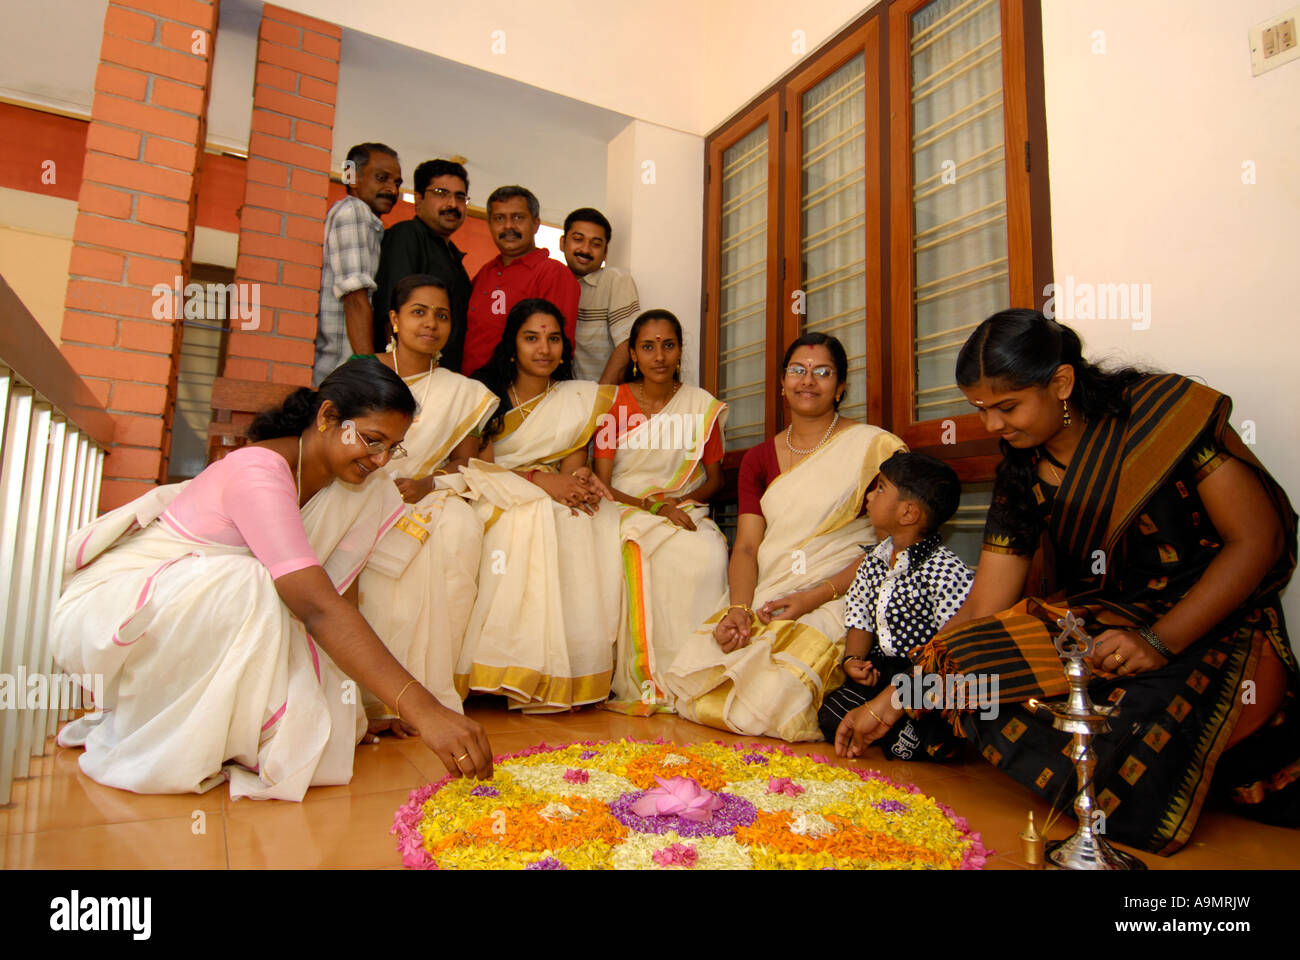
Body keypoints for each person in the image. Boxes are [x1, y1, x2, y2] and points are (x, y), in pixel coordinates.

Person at [839, 309, 1298, 855]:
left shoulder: (1164, 419)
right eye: (980, 410)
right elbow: (986, 603)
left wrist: (1157, 642)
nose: (991, 427)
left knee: (1124, 734)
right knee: (958, 665)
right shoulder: (1020, 471)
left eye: (1006, 407)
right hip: (1100, 623)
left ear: (1061, 383)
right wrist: (896, 696)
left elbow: (1257, 541)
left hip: (1207, 621)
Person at [50, 358, 493, 800]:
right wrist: (424, 709)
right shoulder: (257, 471)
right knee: (252, 581)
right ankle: (166, 730)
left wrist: (364, 700)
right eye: (372, 440)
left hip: (216, 612)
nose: (379, 461)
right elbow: (316, 606)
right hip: (125, 610)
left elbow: (340, 595)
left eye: (393, 448)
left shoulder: (364, 489)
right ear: (327, 417)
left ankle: (222, 735)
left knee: (326, 712)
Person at [663, 333, 906, 741]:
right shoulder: (759, 459)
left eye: (822, 372)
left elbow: (894, 546)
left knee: (774, 696)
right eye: (798, 370)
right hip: (773, 590)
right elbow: (746, 546)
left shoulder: (873, 447)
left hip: (846, 590)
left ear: (841, 386)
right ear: (782, 383)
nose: (808, 380)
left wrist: (814, 596)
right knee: (699, 683)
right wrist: (739, 608)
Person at [453, 298, 621, 712]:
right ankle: (503, 666)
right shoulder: (484, 396)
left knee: (585, 516)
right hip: (494, 493)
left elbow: (573, 466)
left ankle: (565, 668)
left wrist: (579, 481)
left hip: (551, 489)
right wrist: (540, 481)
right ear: (512, 345)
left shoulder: (576, 399)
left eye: (553, 339)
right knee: (532, 516)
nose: (543, 349)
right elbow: (474, 469)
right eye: (531, 338)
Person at [352, 275, 499, 727]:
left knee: (457, 526)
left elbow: (464, 466)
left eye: (442, 315)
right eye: (418, 312)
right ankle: (370, 696)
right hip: (357, 490)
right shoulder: (360, 374)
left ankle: (425, 691)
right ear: (394, 320)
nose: (431, 323)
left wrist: (427, 485)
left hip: (421, 495)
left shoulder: (462, 392)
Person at [591, 310, 728, 714]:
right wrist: (652, 506)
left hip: (683, 507)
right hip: (623, 507)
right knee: (642, 551)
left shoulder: (699, 405)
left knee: (707, 554)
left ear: (680, 350)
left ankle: (697, 674)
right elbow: (603, 482)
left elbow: (715, 480)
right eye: (648, 346)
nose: (659, 356)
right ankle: (650, 679)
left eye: (668, 345)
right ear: (633, 352)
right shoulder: (612, 403)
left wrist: (677, 505)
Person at [821, 451, 973, 757]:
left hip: (926, 675)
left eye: (880, 489)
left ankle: (908, 733)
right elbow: (860, 615)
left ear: (907, 513)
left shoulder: (944, 570)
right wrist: (853, 660)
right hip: (882, 671)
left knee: (915, 742)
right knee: (829, 717)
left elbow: (954, 648)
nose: (870, 497)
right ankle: (883, 725)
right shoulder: (874, 560)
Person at [461, 186, 580, 375]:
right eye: (499, 218)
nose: (508, 226)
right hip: (471, 390)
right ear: (490, 224)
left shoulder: (553, 273)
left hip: (515, 396)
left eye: (518, 217)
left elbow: (557, 349)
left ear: (536, 224)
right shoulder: (485, 272)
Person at [370, 159, 473, 371]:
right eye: (441, 193)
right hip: (409, 380)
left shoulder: (454, 257)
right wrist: (399, 377)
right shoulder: (406, 236)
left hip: (441, 381)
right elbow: (392, 313)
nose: (452, 204)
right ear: (418, 199)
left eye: (459, 196)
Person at [312, 143, 402, 386]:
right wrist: (367, 370)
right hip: (342, 371)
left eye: (397, 183)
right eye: (382, 178)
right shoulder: (354, 211)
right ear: (352, 178)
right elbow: (356, 298)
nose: (391, 189)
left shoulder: (368, 222)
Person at [559, 207, 640, 383]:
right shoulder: (552, 282)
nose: (585, 249)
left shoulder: (615, 281)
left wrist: (599, 398)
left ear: (605, 253)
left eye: (596, 244)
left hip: (602, 397)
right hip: (561, 396)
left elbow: (627, 343)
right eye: (578, 239)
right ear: (562, 243)